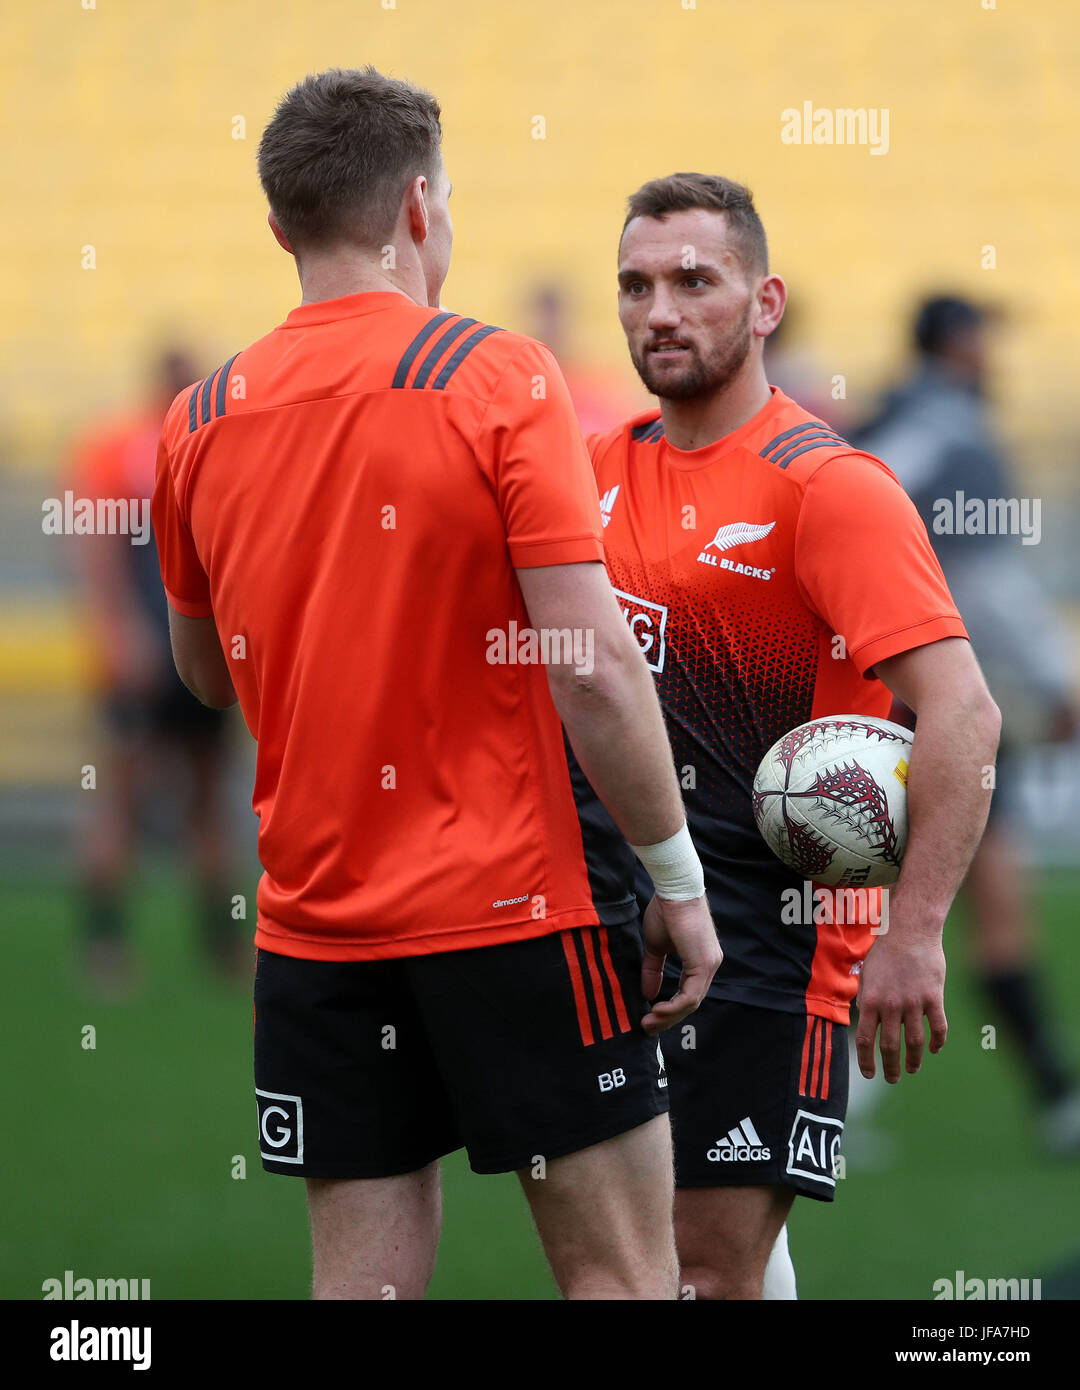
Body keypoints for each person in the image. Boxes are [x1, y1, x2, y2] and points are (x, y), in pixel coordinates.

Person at [150, 68, 721, 1301]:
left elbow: (205, 674)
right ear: (419, 207)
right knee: (623, 1277)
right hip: (518, 908)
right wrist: (677, 877)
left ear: (278, 226)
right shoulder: (499, 375)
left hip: (315, 924)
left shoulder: (197, 419)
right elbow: (595, 667)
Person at [585, 173, 1001, 1298]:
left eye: (693, 281)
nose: (658, 309)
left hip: (773, 941)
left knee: (698, 1273)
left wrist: (913, 935)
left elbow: (965, 710)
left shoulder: (828, 488)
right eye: (635, 284)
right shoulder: (594, 476)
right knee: (648, 1269)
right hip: (618, 928)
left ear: (764, 303)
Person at [853, 294, 1080, 1154]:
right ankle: (1055, 1098)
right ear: (957, 344)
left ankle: (1053, 1096)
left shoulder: (875, 421)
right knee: (987, 902)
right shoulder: (960, 434)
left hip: (872, 693)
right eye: (984, 337)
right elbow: (984, 582)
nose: (994, 354)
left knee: (873, 904)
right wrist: (1056, 677)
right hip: (944, 699)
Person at [65, 348, 241, 996]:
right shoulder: (120, 447)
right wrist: (119, 633)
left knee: (206, 797)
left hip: (194, 651)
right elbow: (100, 552)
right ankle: (104, 941)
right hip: (142, 654)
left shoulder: (207, 442)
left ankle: (219, 942)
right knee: (123, 796)